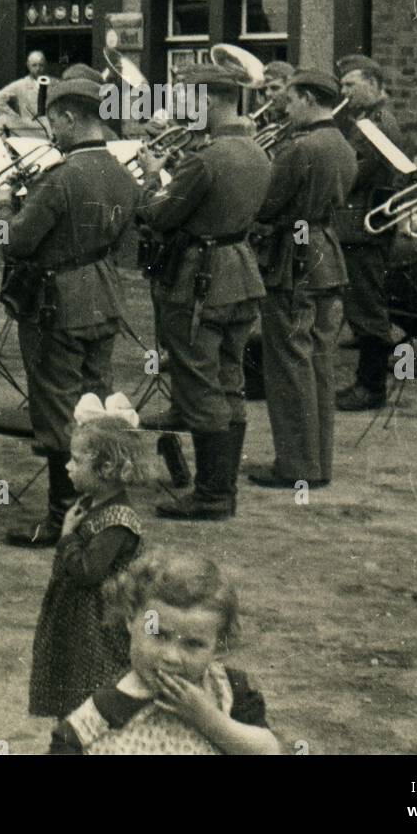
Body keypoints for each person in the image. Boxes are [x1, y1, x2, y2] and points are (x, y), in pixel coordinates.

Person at [1, 71, 140, 546]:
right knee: (96, 403)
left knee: (58, 407)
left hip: (57, 301)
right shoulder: (123, 174)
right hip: (104, 293)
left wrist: (4, 209)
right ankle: (100, 507)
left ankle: (64, 517)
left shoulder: (59, 179)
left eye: (53, 123)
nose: (52, 133)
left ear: (67, 116)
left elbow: (17, 242)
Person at [136, 64, 271, 522]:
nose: (181, 109)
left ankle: (212, 494)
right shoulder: (255, 150)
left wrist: (154, 178)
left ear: (209, 101)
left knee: (199, 384)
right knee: (230, 381)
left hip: (200, 280)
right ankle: (221, 488)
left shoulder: (206, 158)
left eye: (187, 100)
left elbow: (161, 217)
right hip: (239, 273)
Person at [49, 547, 280, 755]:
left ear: (219, 645)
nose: (171, 657)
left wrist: (208, 719)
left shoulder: (228, 690)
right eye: (159, 635)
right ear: (130, 620)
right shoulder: (106, 708)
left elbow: (269, 750)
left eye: (193, 644)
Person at [247, 70, 357, 490]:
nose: (285, 108)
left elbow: (268, 204)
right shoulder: (342, 144)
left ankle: (295, 465)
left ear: (309, 100)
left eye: (291, 100)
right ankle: (317, 462)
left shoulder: (300, 149)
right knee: (319, 362)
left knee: (290, 363)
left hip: (295, 254)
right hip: (326, 252)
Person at [29, 395, 145, 719]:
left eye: (76, 460)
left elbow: (88, 571)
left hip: (97, 627)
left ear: (106, 468)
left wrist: (67, 537)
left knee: (91, 693)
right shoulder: (91, 504)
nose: (68, 466)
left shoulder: (118, 519)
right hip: (79, 620)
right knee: (73, 688)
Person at [334, 55, 407, 412]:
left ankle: (371, 386)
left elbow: (356, 174)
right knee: (360, 304)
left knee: (367, 307)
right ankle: (367, 382)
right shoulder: (365, 122)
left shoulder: (377, 124)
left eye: (351, 84)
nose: (344, 91)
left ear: (375, 84)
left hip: (363, 227)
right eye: (342, 84)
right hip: (355, 224)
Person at [0, 49, 48, 125]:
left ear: (45, 65)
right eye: (34, 65)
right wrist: (15, 118)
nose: (38, 69)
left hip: (51, 131)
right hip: (31, 129)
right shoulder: (21, 84)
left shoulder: (53, 84)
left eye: (41, 65)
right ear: (28, 65)